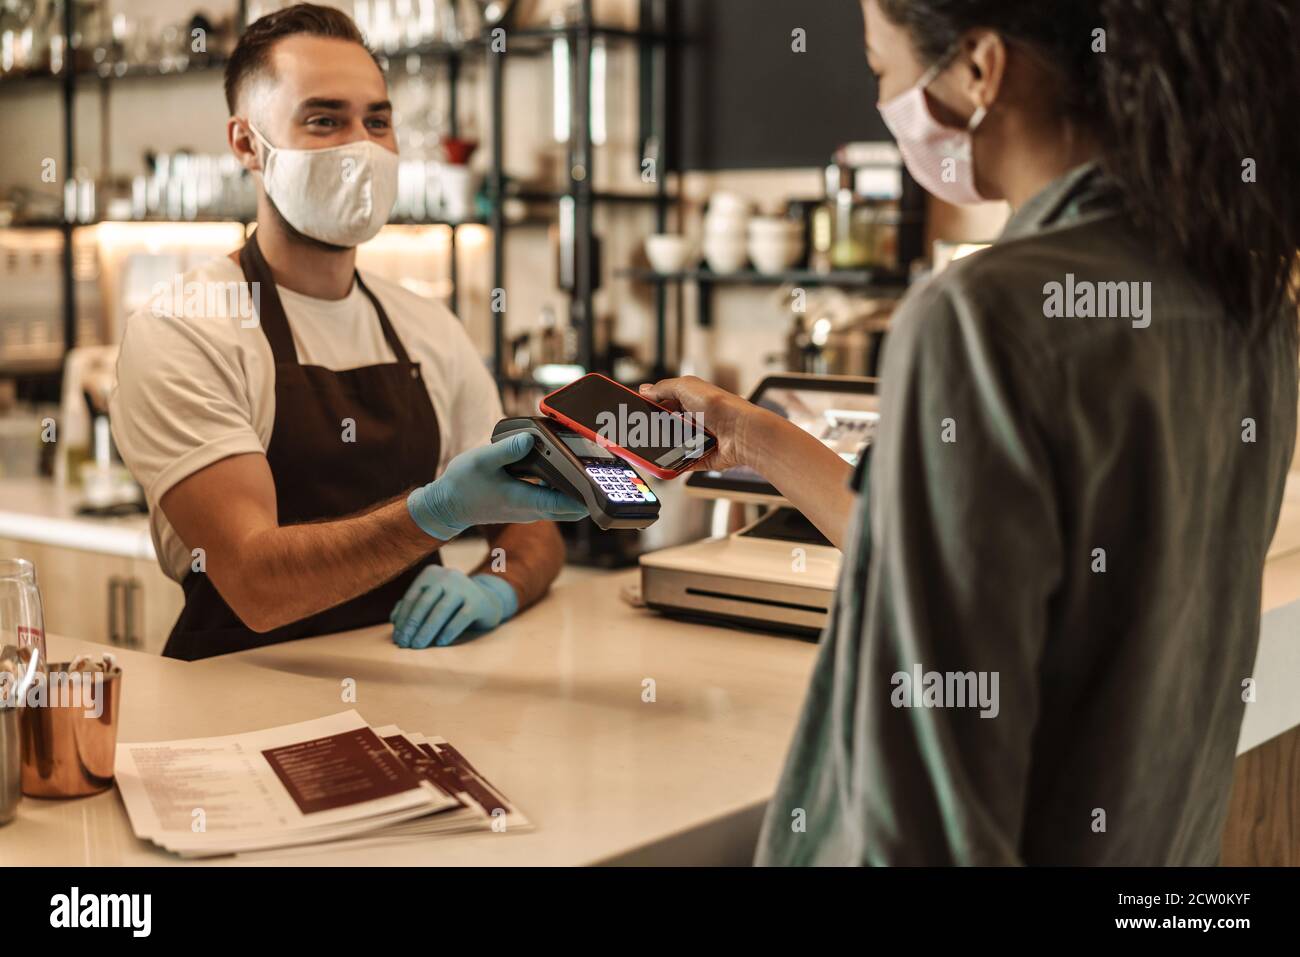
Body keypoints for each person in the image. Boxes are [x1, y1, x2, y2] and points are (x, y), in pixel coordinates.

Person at [644, 0, 1300, 865]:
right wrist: (750, 434)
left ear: (980, 71)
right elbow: (943, 554)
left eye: (882, 69)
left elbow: (927, 807)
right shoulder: (1250, 304)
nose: (883, 99)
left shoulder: (980, 316)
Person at [110, 4, 586, 661]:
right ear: (247, 144)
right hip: (231, 703)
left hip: (406, 692)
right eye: (325, 120)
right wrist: (436, 512)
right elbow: (255, 581)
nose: (361, 146)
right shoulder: (188, 329)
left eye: (377, 121)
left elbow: (532, 531)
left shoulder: (426, 327)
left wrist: (494, 588)